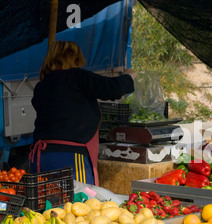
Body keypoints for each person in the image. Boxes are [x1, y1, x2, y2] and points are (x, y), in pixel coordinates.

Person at [29, 41, 136, 186]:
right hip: (70, 158)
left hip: (41, 157)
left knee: (47, 203)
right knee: (82, 203)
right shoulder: (78, 77)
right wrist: (128, 77)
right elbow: (112, 89)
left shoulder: (42, 86)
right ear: (75, 58)